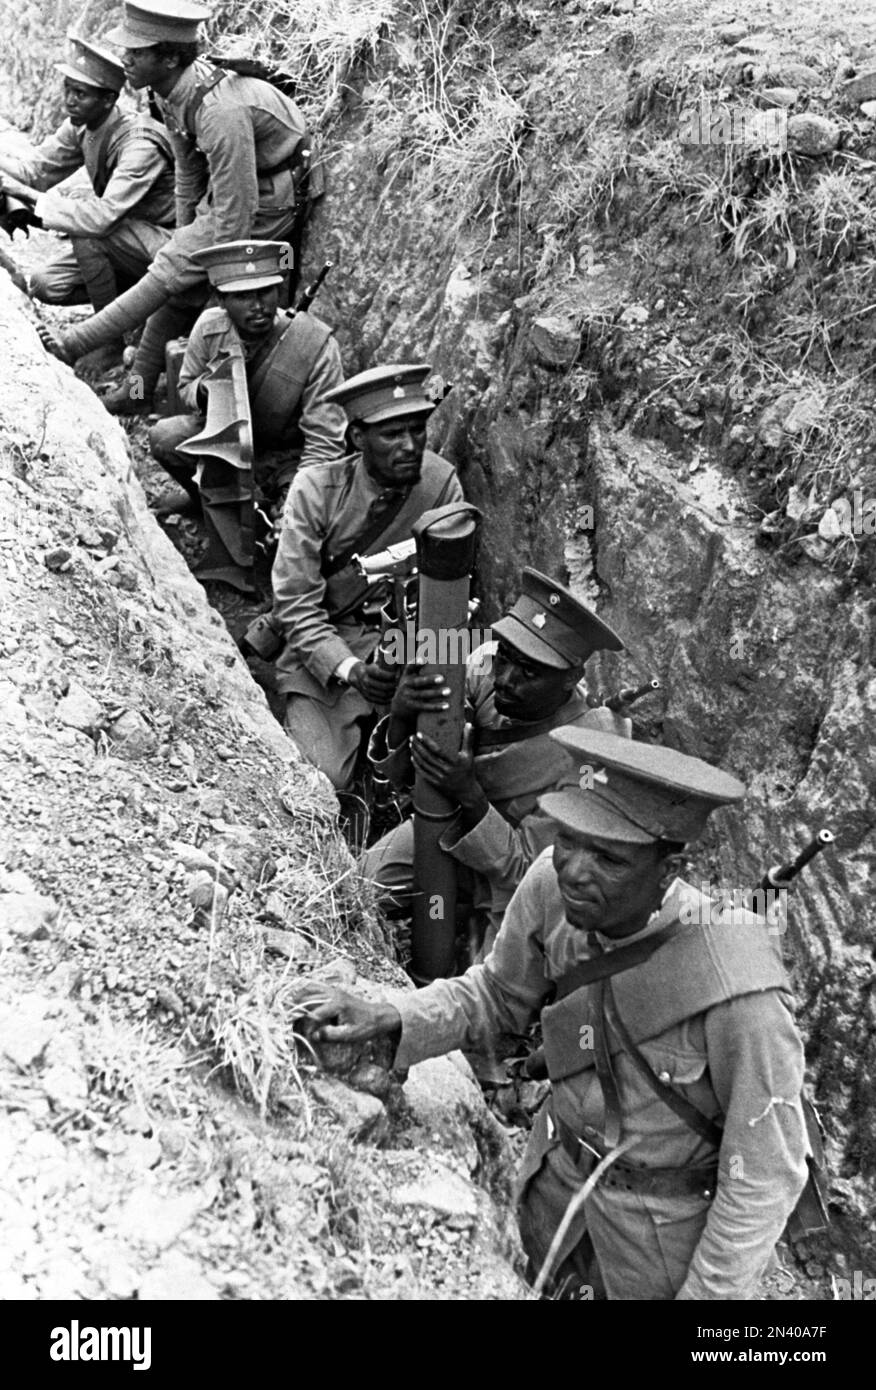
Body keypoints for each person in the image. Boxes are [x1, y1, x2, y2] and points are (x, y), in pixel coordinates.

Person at [297, 729, 811, 1300]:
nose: (574, 870)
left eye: (610, 858)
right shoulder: (548, 884)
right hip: (549, 1192)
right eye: (569, 838)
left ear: (668, 872)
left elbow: (764, 1173)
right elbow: (495, 993)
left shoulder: (740, 993)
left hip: (658, 1247)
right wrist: (392, 1015)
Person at [39, 1, 318, 413]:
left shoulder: (221, 110)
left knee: (174, 276)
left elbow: (237, 213)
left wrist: (201, 265)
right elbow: (188, 171)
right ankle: (136, 394)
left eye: (136, 53)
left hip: (270, 194)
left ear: (169, 58)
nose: (125, 60)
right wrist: (184, 237)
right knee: (176, 285)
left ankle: (74, 343)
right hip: (234, 188)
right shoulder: (171, 91)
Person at [359, 567, 629, 951]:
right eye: (506, 657)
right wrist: (402, 714)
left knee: (488, 993)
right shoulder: (484, 665)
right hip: (446, 824)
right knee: (356, 890)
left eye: (529, 671)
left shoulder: (590, 756)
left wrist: (470, 794)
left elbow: (525, 870)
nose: (505, 679)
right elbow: (403, 781)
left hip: (509, 877)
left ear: (571, 678)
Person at [272, 363, 464, 792]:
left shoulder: (440, 486)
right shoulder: (315, 491)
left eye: (417, 430)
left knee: (442, 764)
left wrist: (424, 658)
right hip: (333, 639)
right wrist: (351, 669)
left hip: (409, 641)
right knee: (322, 780)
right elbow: (296, 603)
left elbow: (449, 593)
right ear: (358, 439)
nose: (410, 446)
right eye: (392, 434)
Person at [147, 239, 346, 583]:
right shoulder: (210, 329)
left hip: (290, 457)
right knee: (165, 437)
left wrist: (295, 502)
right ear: (221, 300)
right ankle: (207, 505)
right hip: (228, 439)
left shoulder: (315, 347)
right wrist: (208, 390)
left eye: (266, 292)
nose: (258, 306)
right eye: (242, 297)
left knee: (292, 539)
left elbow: (326, 445)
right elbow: (186, 387)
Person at [0, 31, 174, 369]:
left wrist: (26, 196)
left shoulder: (140, 144)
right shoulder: (83, 125)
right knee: (45, 285)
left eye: (80, 93)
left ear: (109, 100)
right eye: (67, 89)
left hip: (163, 244)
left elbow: (101, 218)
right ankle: (128, 307)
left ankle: (108, 342)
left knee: (85, 230)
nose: (69, 101)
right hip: (125, 242)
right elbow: (34, 170)